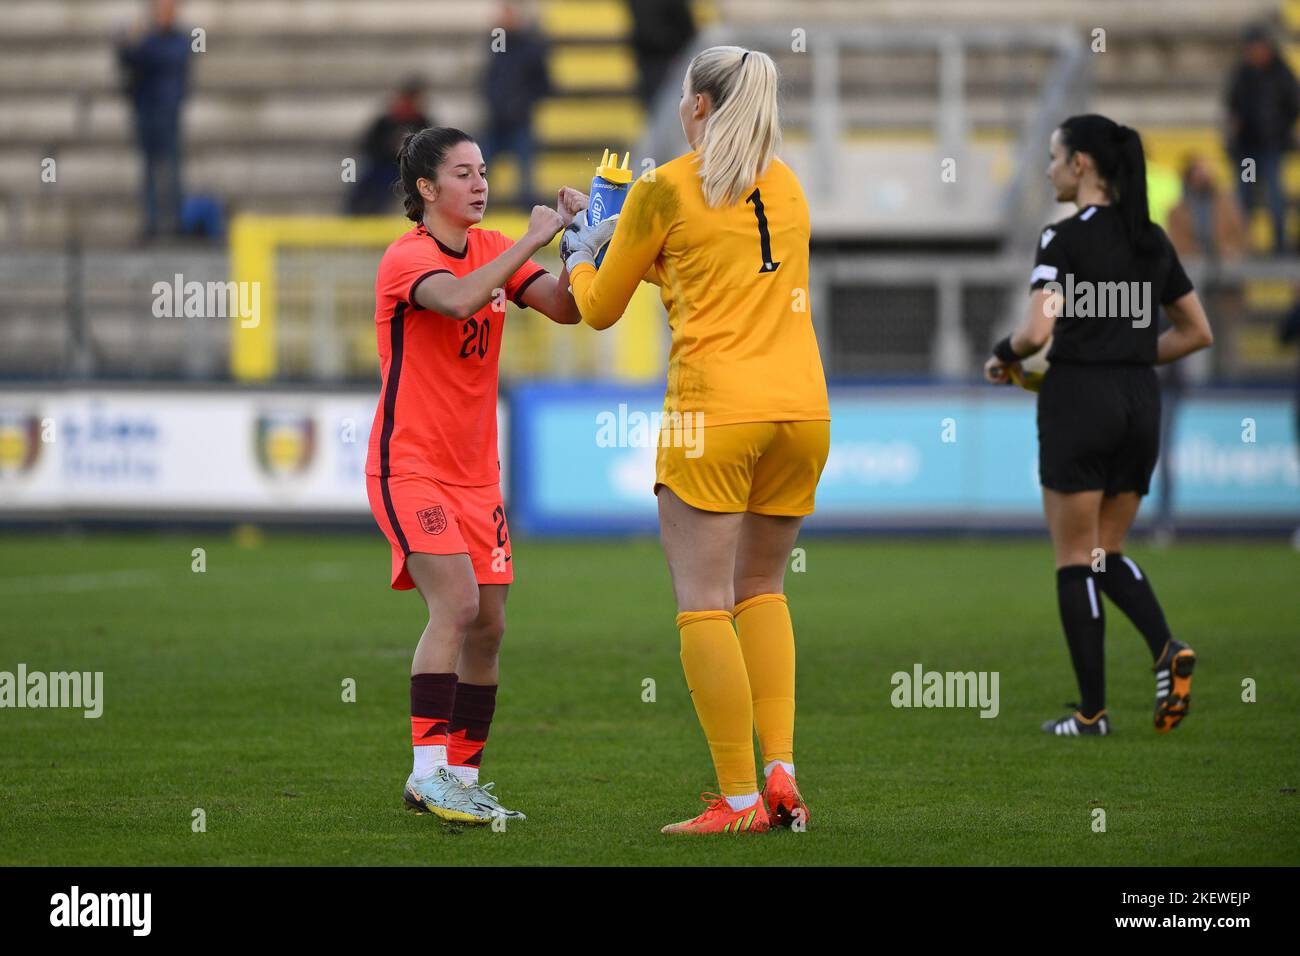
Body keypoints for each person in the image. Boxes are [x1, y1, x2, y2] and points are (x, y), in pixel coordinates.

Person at [560, 47, 829, 834]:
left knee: (704, 605)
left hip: (713, 410)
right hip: (802, 412)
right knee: (765, 592)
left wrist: (583, 249)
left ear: (701, 107)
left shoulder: (665, 184)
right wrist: (615, 233)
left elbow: (600, 308)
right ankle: (781, 772)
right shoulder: (786, 185)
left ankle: (738, 801)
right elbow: (702, 271)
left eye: (684, 98)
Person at [364, 126, 581, 823]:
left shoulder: (492, 249)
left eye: (483, 170)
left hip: (476, 476)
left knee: (488, 626)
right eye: (463, 173)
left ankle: (460, 777)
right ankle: (426, 774)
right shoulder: (407, 258)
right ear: (426, 190)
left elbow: (568, 307)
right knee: (455, 605)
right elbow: (457, 301)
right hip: (411, 467)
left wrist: (584, 241)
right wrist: (532, 240)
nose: (480, 183)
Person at [984, 115, 1214, 738]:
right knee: (1105, 552)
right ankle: (1166, 648)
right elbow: (1198, 332)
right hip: (1141, 403)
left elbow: (1036, 333)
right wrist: (1132, 355)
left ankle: (1092, 714)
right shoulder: (1151, 240)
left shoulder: (1061, 241)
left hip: (1079, 402)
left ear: (1081, 164)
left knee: (1073, 560)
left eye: (1056, 157)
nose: (1051, 168)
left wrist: (1004, 354)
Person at [115, 0, 190, 240]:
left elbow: (159, 59)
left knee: (172, 167)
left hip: (167, 112)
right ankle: (152, 221)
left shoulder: (178, 41)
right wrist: (130, 39)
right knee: (149, 168)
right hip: (147, 110)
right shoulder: (147, 41)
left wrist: (138, 45)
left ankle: (176, 221)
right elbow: (126, 58)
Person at [1225, 24, 1299, 255]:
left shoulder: (1281, 73)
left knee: (1274, 194)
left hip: (1270, 148)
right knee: (1246, 193)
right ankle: (1245, 242)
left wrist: (1279, 129)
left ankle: (1279, 243)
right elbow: (1233, 106)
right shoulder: (1242, 74)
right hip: (1248, 150)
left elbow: (1294, 105)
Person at [480, 2, 550, 207]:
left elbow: (544, 84)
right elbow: (491, 78)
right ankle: (483, 205)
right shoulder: (497, 44)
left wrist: (522, 103)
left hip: (520, 119)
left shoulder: (531, 46)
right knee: (483, 166)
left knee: (525, 170)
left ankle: (528, 210)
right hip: (497, 119)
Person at [346, 77, 433, 215]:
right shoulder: (386, 121)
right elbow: (369, 144)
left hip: (404, 168)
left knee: (387, 188)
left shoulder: (421, 122)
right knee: (364, 184)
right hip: (381, 163)